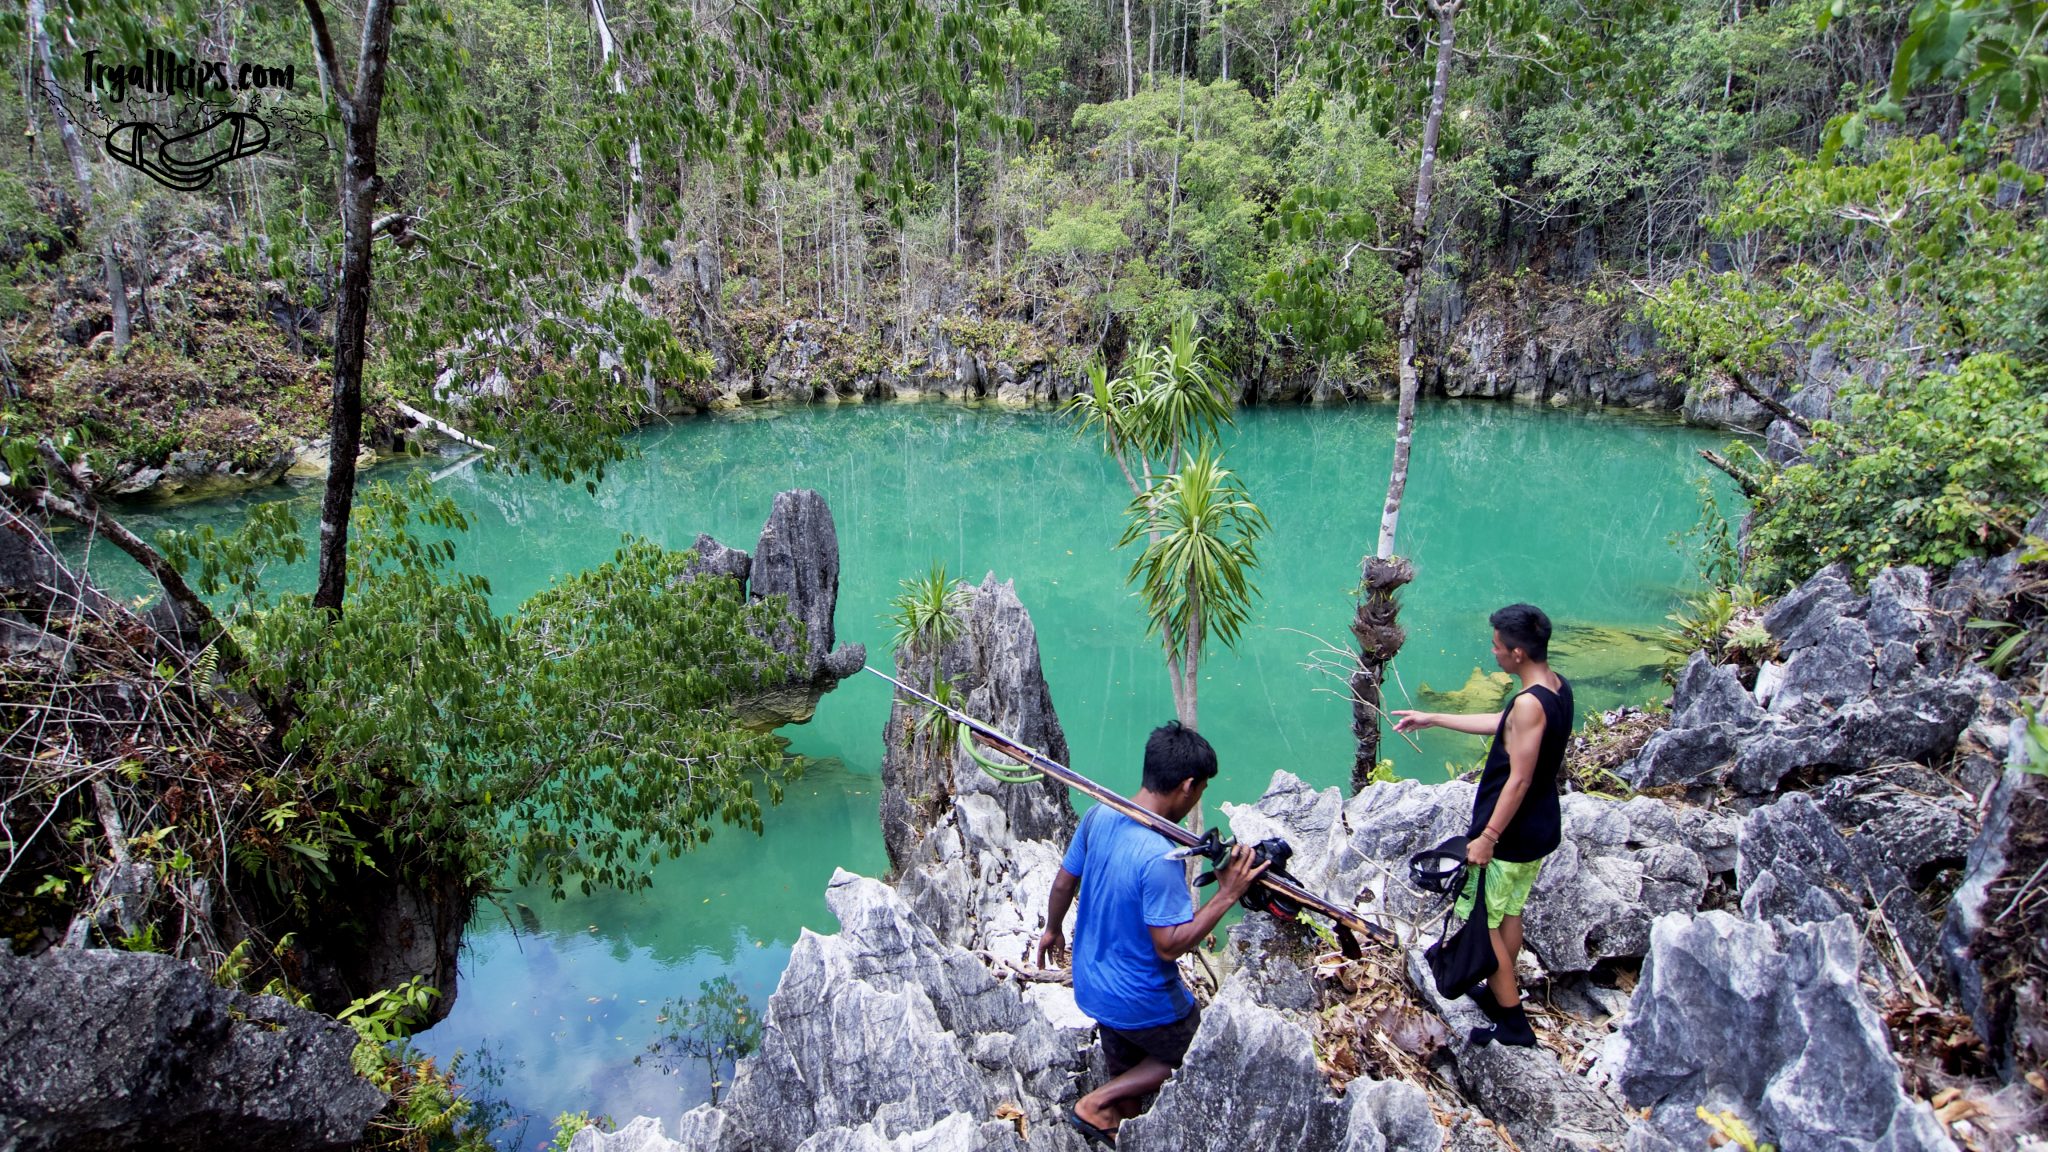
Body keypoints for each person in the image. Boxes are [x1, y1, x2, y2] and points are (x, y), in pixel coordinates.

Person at [1035, 721, 1268, 1145]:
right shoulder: (1160, 856)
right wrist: (1228, 894)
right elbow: (1169, 946)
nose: (1199, 798)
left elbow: (1063, 883)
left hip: (1091, 985)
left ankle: (1120, 1119)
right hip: (1139, 999)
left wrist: (1052, 930)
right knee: (1199, 1048)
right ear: (1187, 785)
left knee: (1129, 1072)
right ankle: (1096, 1103)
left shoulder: (1099, 814)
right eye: (1202, 790)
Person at [1392, 603, 1572, 1048]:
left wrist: (1487, 838)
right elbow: (1504, 725)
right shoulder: (1554, 688)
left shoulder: (1530, 703)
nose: (1492, 653)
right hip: (1541, 827)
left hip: (1511, 834)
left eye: (1496, 646)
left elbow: (1520, 778)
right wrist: (1432, 717)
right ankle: (1499, 988)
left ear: (1516, 654)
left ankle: (1512, 1023)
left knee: (1484, 925)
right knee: (1507, 913)